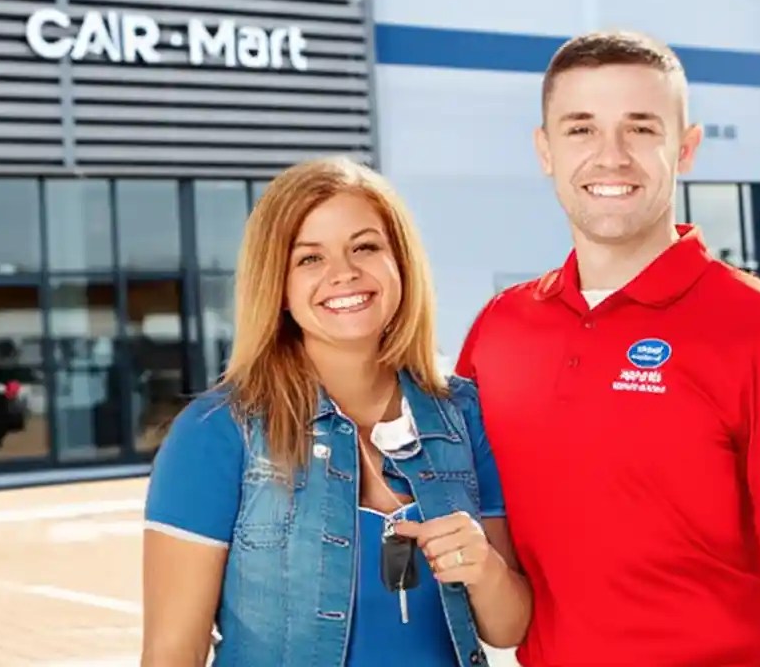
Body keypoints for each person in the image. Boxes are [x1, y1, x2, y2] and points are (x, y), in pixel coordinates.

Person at [455, 30, 760, 667]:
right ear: (545, 149)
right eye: (581, 129)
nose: (611, 156)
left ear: (687, 147)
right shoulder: (499, 330)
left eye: (642, 129)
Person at [142, 156, 532, 666]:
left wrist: (484, 568)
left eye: (365, 247)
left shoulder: (464, 414)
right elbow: (173, 650)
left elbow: (508, 629)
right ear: (277, 286)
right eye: (310, 259)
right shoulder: (217, 433)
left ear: (400, 263)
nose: (344, 274)